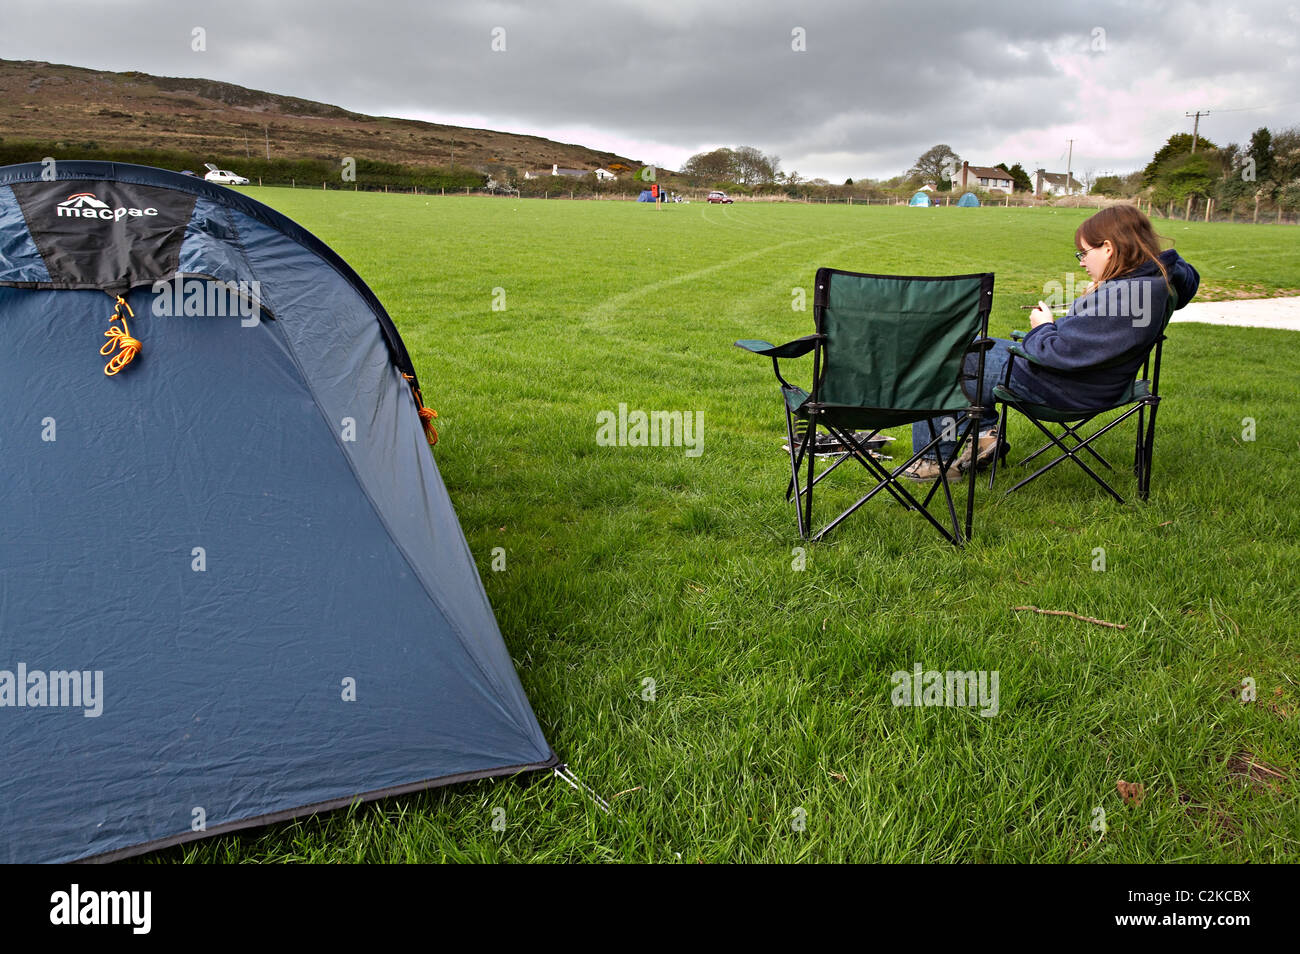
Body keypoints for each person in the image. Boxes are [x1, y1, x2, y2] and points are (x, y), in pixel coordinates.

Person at [904, 204, 1200, 480]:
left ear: (1108, 248)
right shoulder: (1148, 285)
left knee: (942, 355)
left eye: (1084, 253)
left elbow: (1058, 352)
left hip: (1062, 388)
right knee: (973, 345)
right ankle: (983, 438)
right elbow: (1087, 343)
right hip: (1084, 382)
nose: (1082, 262)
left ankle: (934, 460)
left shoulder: (1130, 296)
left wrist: (1043, 327)